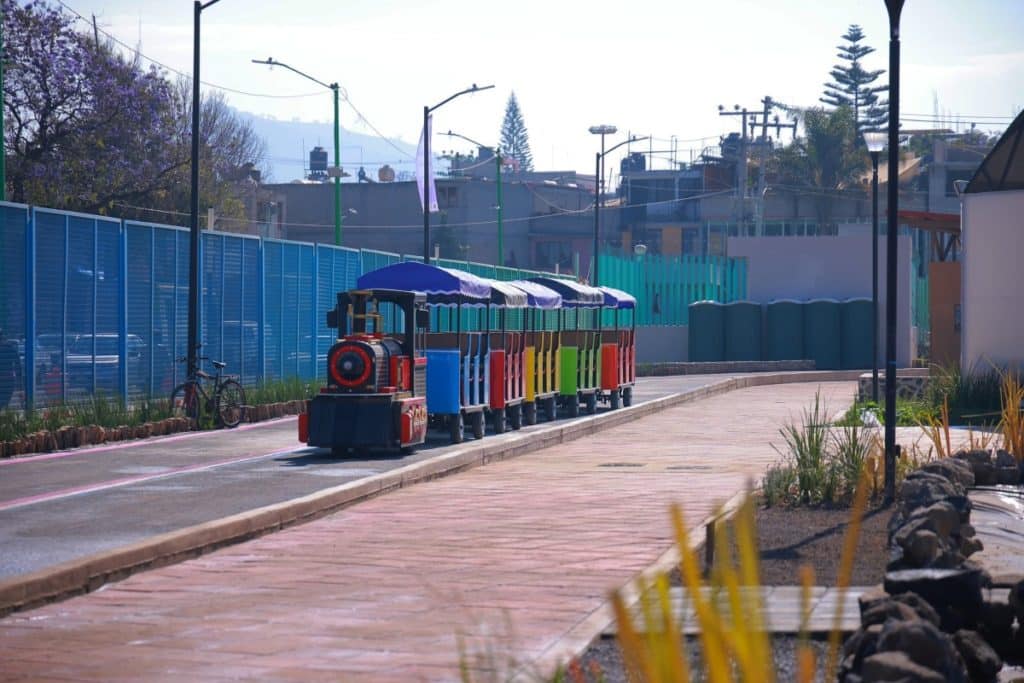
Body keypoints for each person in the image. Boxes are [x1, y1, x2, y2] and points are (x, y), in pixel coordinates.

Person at [0, 328, 23, 410]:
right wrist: (20, 386)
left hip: (7, 379)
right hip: (8, 380)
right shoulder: (10, 347)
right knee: (4, 402)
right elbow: (18, 366)